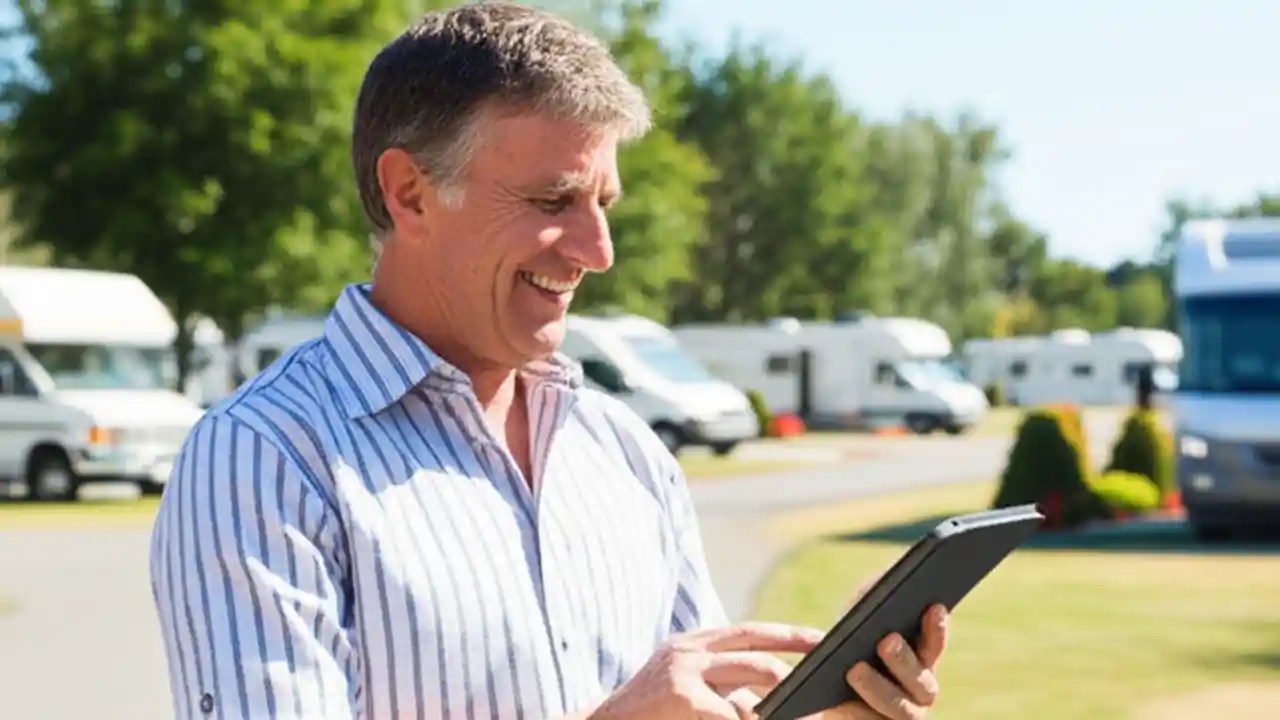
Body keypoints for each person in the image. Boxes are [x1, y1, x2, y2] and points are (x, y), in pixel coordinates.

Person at [148, 2, 949, 718]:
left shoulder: (626, 452)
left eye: (603, 204)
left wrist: (834, 707)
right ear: (411, 193)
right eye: (552, 200)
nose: (598, 252)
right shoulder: (262, 459)